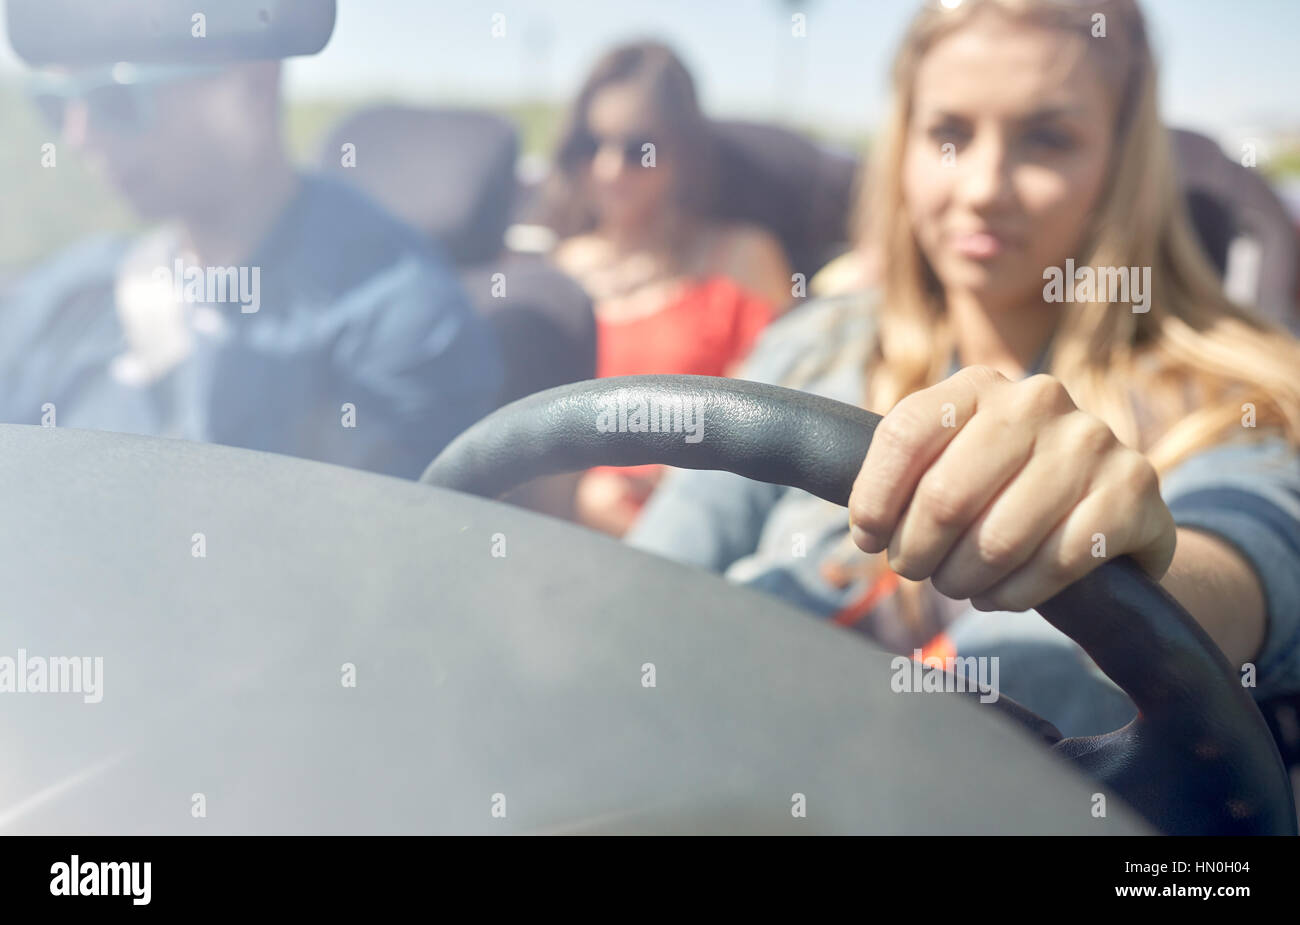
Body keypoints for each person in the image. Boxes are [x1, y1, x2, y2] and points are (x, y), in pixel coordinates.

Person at [628, 0, 1300, 738]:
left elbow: (1256, 558)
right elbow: (645, 586)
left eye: (1046, 139)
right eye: (949, 134)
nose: (982, 188)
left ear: (1120, 164)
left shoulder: (1228, 395)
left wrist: (1132, 565)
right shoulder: (812, 345)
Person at [0, 61, 502, 479]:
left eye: (116, 99)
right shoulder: (73, 289)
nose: (78, 134)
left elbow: (387, 573)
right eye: (55, 103)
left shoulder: (397, 321)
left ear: (255, 86)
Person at [541, 41, 793, 536]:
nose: (610, 169)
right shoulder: (557, 271)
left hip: (693, 526)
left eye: (638, 150)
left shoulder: (742, 258)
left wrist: (667, 483)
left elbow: (784, 421)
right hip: (560, 530)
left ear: (682, 154)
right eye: (593, 146)